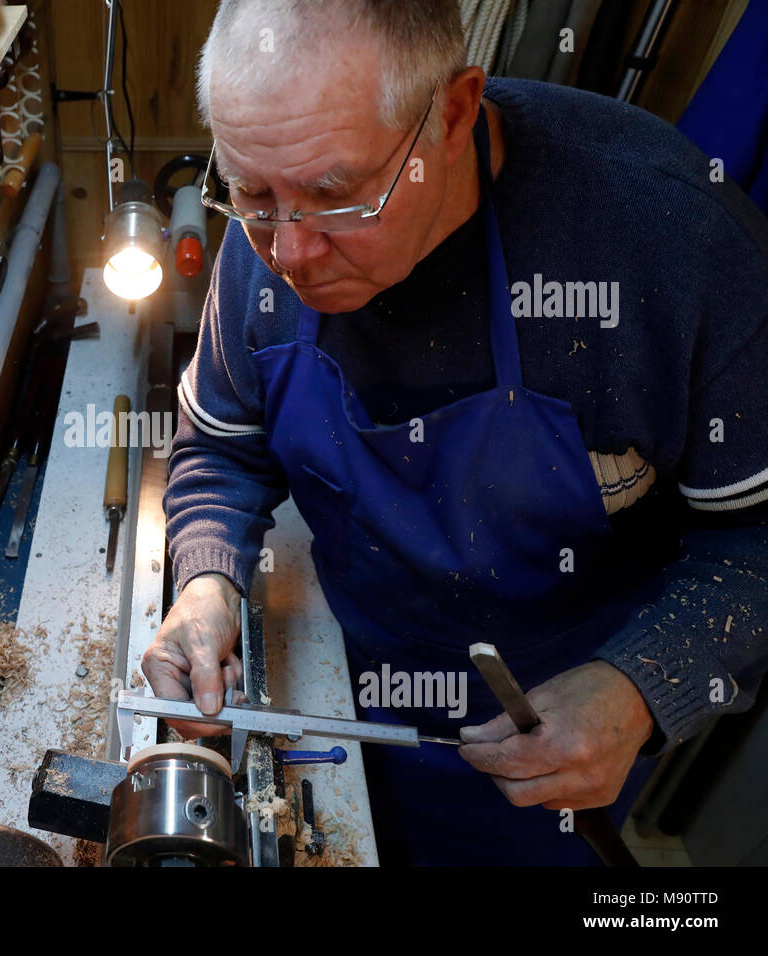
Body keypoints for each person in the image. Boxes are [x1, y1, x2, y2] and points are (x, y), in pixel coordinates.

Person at [144, 0, 768, 865]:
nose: (287, 252)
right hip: (342, 678)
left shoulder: (673, 244)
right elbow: (221, 446)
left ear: (456, 111)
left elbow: (755, 540)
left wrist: (639, 687)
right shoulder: (272, 226)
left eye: (336, 197)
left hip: (556, 729)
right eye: (249, 193)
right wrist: (206, 581)